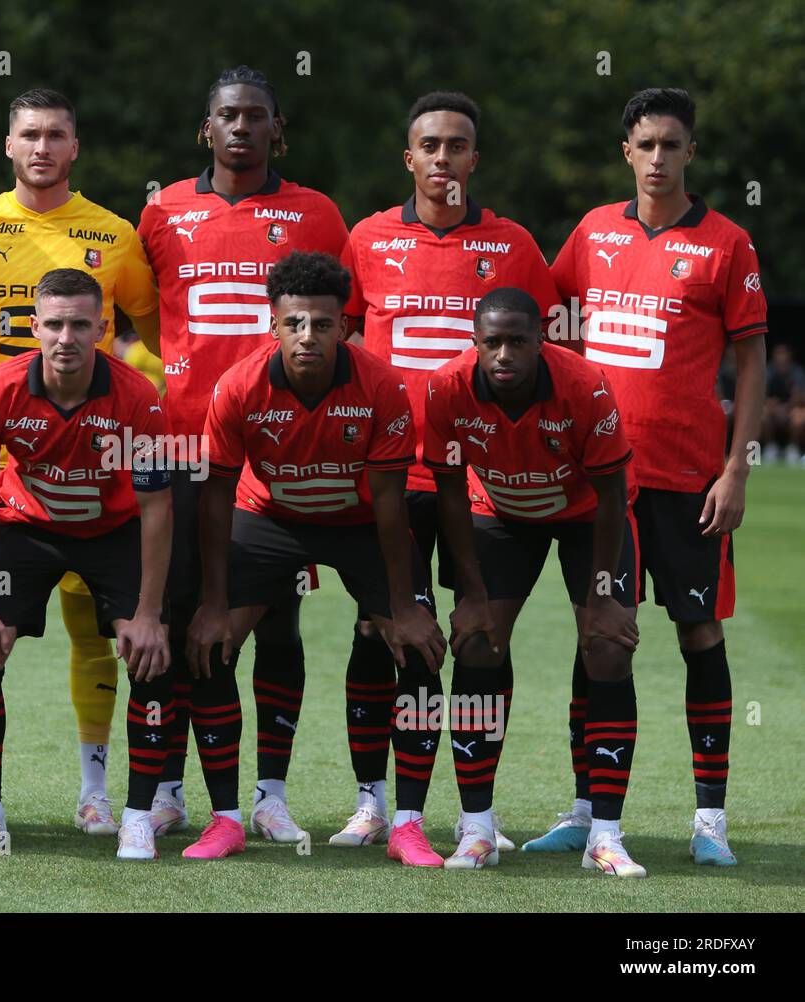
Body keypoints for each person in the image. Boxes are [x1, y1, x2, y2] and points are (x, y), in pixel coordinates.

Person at [544, 88, 767, 866]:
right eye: (648, 144)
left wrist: (736, 469)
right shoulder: (593, 233)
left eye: (674, 144)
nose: (660, 158)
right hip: (605, 485)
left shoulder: (727, 243)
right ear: (627, 152)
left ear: (691, 154)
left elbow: (752, 360)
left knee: (699, 633)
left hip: (688, 481)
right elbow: (546, 322)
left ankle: (711, 822)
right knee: (600, 637)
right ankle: (586, 811)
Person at [335, 91, 559, 851]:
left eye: (456, 145)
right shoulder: (366, 239)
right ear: (409, 158)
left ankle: (478, 817)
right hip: (389, 479)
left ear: (474, 159)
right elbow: (341, 352)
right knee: (381, 637)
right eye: (428, 145)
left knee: (479, 641)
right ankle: (378, 804)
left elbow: (547, 355)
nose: (442, 158)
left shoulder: (517, 247)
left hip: (482, 486)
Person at [0, 88, 161, 837]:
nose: (41, 147)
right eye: (28, 135)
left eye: (56, 135)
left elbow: (167, 335)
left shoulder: (115, 234)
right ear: (8, 145)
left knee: (100, 634)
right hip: (9, 462)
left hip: (101, 465)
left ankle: (99, 790)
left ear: (75, 147)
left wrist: (152, 418)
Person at [136, 64, 349, 844]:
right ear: (206, 127)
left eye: (256, 116)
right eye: (227, 114)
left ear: (275, 128)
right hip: (189, 453)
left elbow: (336, 327)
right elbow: (137, 313)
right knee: (190, 618)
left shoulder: (318, 213)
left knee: (279, 625)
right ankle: (167, 788)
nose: (241, 128)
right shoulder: (162, 213)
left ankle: (271, 792)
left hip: (279, 458)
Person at [187, 250, 445, 860]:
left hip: (359, 524)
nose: (309, 337)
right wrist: (213, 602)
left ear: (345, 327)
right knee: (210, 646)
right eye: (295, 323)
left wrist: (403, 606)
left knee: (420, 651)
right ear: (273, 325)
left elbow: (389, 505)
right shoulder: (238, 386)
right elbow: (216, 500)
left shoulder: (381, 385)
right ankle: (226, 817)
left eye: (323, 325)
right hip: (269, 519)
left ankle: (406, 822)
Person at [0, 268, 173, 859]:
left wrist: (149, 613)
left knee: (151, 656)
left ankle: (136, 815)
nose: (66, 337)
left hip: (111, 531)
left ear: (103, 329)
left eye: (81, 325)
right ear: (34, 327)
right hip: (26, 529)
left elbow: (156, 508)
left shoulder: (139, 396)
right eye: (54, 324)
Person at [425, 287, 645, 875]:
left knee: (606, 650)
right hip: (499, 514)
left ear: (540, 341)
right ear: (474, 344)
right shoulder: (446, 388)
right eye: (491, 341)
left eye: (517, 340)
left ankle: (604, 833)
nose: (504, 354)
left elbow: (611, 498)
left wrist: (602, 598)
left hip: (586, 519)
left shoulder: (585, 386)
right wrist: (469, 594)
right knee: (476, 644)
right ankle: (476, 829)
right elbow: (448, 493)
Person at [762, 343, 805, 462]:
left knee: (799, 416)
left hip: (791, 409)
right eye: (778, 354)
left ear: (789, 356)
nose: (781, 357)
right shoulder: (768, 371)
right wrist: (773, 406)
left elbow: (800, 396)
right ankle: (771, 447)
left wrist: (787, 407)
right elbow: (761, 395)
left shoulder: (797, 372)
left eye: (783, 354)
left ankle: (793, 447)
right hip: (773, 410)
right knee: (762, 413)